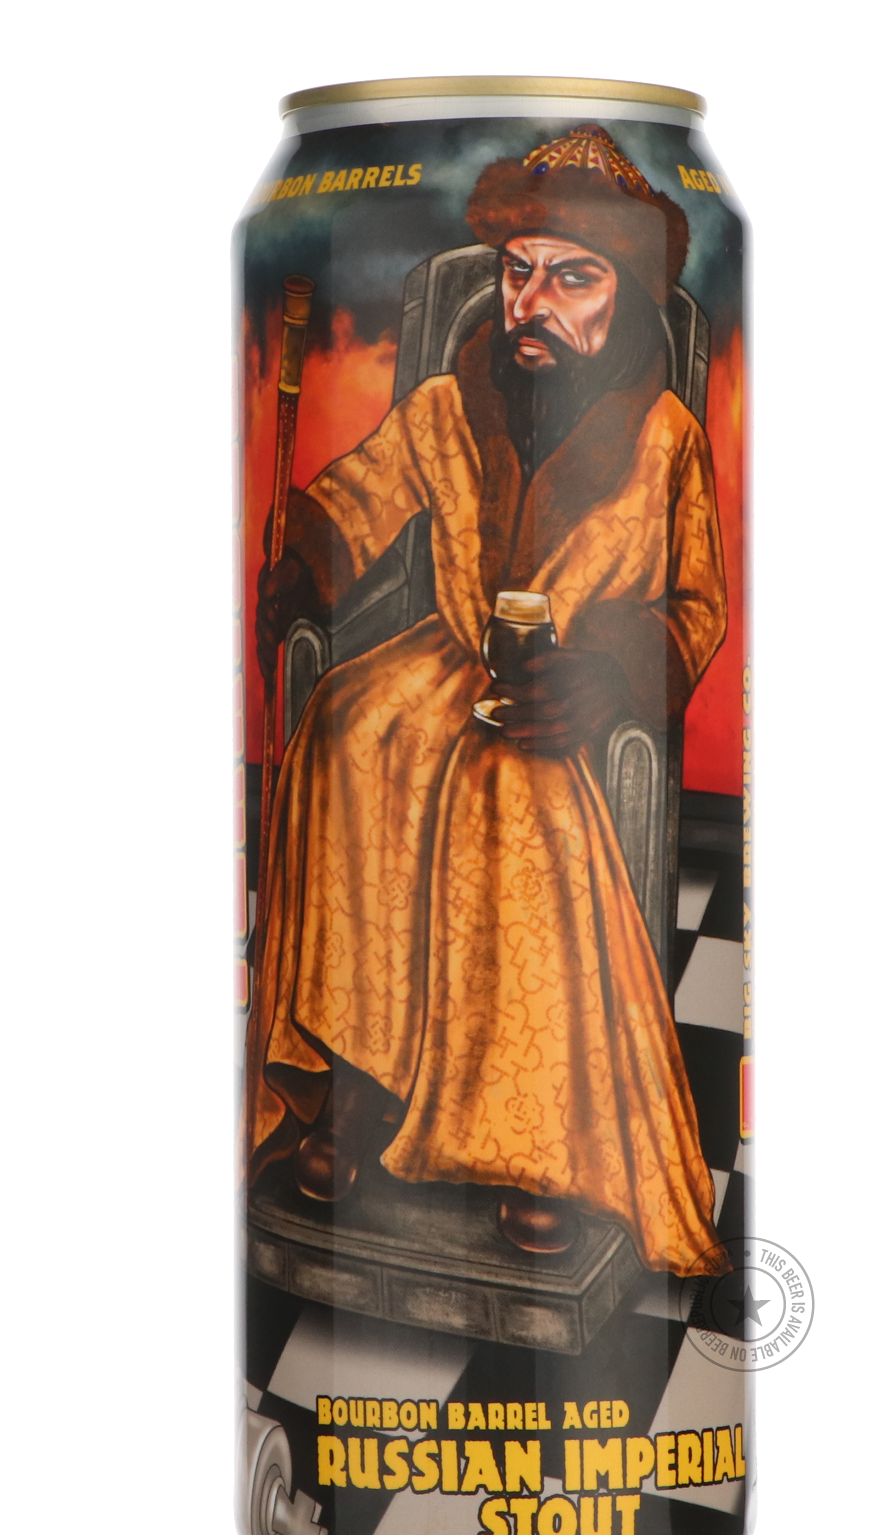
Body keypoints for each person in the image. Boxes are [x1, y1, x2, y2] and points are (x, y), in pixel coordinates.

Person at [250, 126, 728, 1271]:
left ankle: (532, 1148)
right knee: (344, 732)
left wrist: (614, 670)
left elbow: (698, 605)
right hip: (442, 659)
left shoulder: (665, 438)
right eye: (520, 271)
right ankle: (350, 1093)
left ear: (627, 292)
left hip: (566, 695)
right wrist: (301, 556)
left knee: (512, 794)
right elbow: (360, 495)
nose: (533, 302)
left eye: (573, 276)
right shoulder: (447, 400)